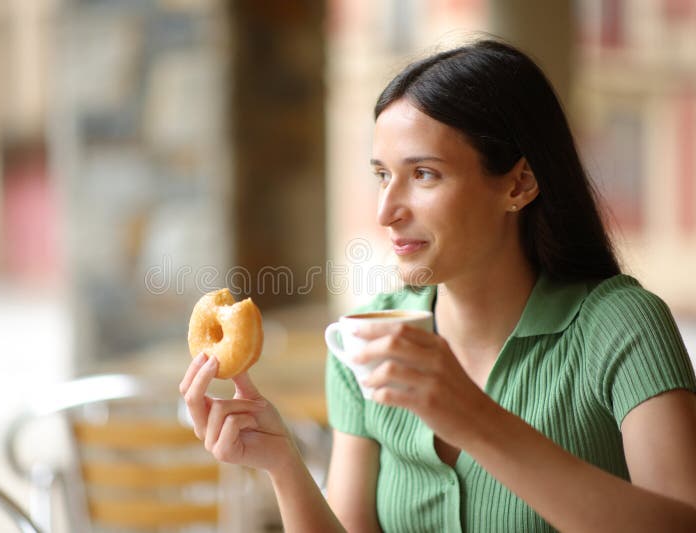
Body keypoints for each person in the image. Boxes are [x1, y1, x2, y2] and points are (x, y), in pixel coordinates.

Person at [179, 38, 696, 532]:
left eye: (423, 174)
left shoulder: (621, 328)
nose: (386, 211)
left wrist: (470, 417)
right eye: (383, 174)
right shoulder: (366, 336)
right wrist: (284, 465)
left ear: (520, 183)